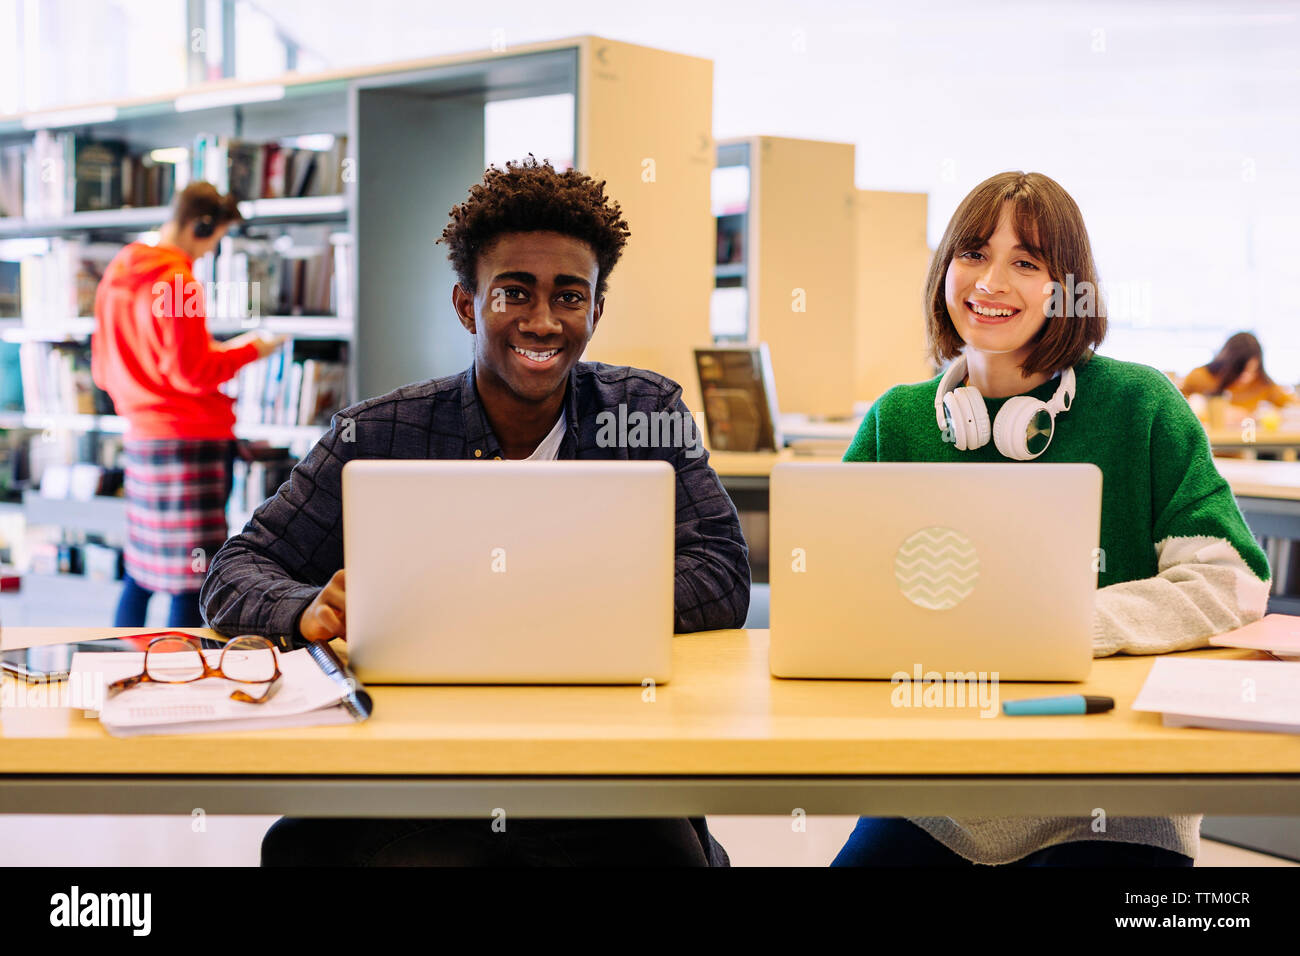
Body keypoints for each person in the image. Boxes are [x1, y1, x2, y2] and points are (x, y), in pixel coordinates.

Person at [199, 157, 751, 866]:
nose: (544, 321)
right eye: (514, 293)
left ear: (596, 309)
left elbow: (723, 572)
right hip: (415, 767)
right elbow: (234, 572)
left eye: (570, 296)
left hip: (604, 763)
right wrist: (308, 608)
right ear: (468, 304)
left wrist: (557, 597)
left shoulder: (646, 413)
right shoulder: (379, 432)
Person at [832, 171, 1271, 867]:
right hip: (943, 792)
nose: (991, 281)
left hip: (1115, 795)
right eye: (973, 253)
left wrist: (1061, 627)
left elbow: (1231, 584)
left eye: (1026, 263)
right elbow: (834, 589)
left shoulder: (1140, 404)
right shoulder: (898, 420)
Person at [92, 182, 283, 628]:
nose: (209, 251)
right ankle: (185, 679)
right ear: (203, 225)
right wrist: (253, 348)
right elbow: (191, 372)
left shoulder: (120, 270)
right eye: (215, 239)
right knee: (193, 577)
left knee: (141, 573)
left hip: (141, 439)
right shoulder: (177, 280)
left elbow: (103, 367)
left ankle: (125, 672)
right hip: (189, 441)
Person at [1180, 331, 1294, 413]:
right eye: (1239, 371)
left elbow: (1291, 404)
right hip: (1210, 442)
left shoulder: (1262, 383)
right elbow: (1176, 409)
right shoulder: (1199, 377)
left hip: (1247, 441)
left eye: (1252, 371)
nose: (1246, 378)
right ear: (1225, 364)